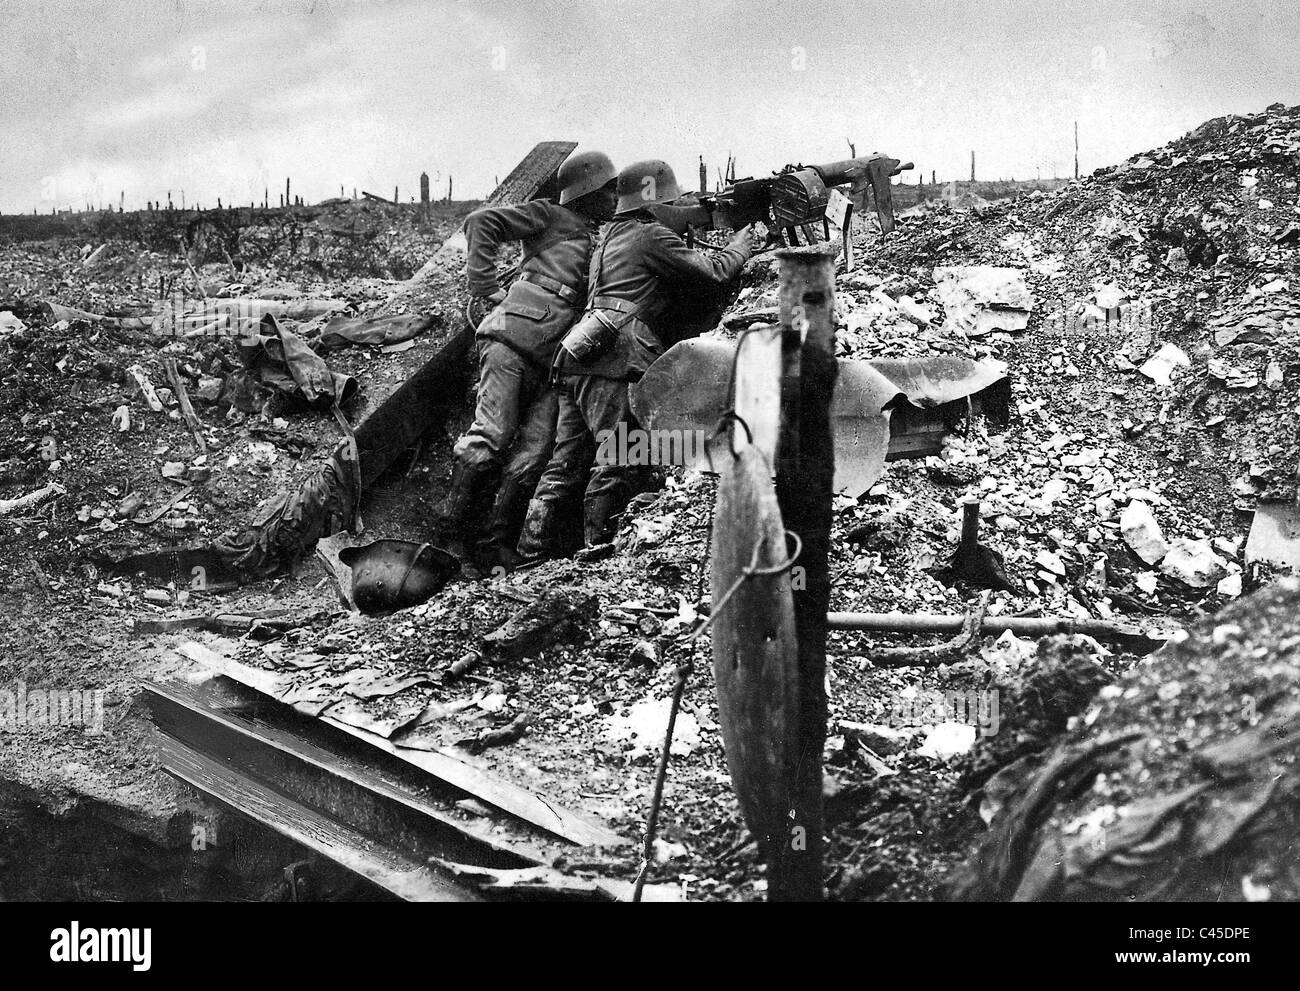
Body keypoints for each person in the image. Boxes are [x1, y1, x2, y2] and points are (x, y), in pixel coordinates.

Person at [517, 159, 757, 557]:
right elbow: (714, 271)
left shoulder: (611, 235)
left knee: (566, 463)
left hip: (578, 357)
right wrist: (741, 247)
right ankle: (597, 553)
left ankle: (532, 552)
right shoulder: (650, 236)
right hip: (614, 358)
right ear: (657, 203)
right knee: (619, 455)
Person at [435, 150, 618, 572]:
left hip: (553, 361)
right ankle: (449, 542)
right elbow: (482, 221)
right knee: (491, 437)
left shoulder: (601, 235)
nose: (612, 198)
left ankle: (494, 543)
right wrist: (484, 285)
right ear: (586, 192)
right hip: (512, 342)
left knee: (535, 453)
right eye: (606, 190)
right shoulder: (549, 216)